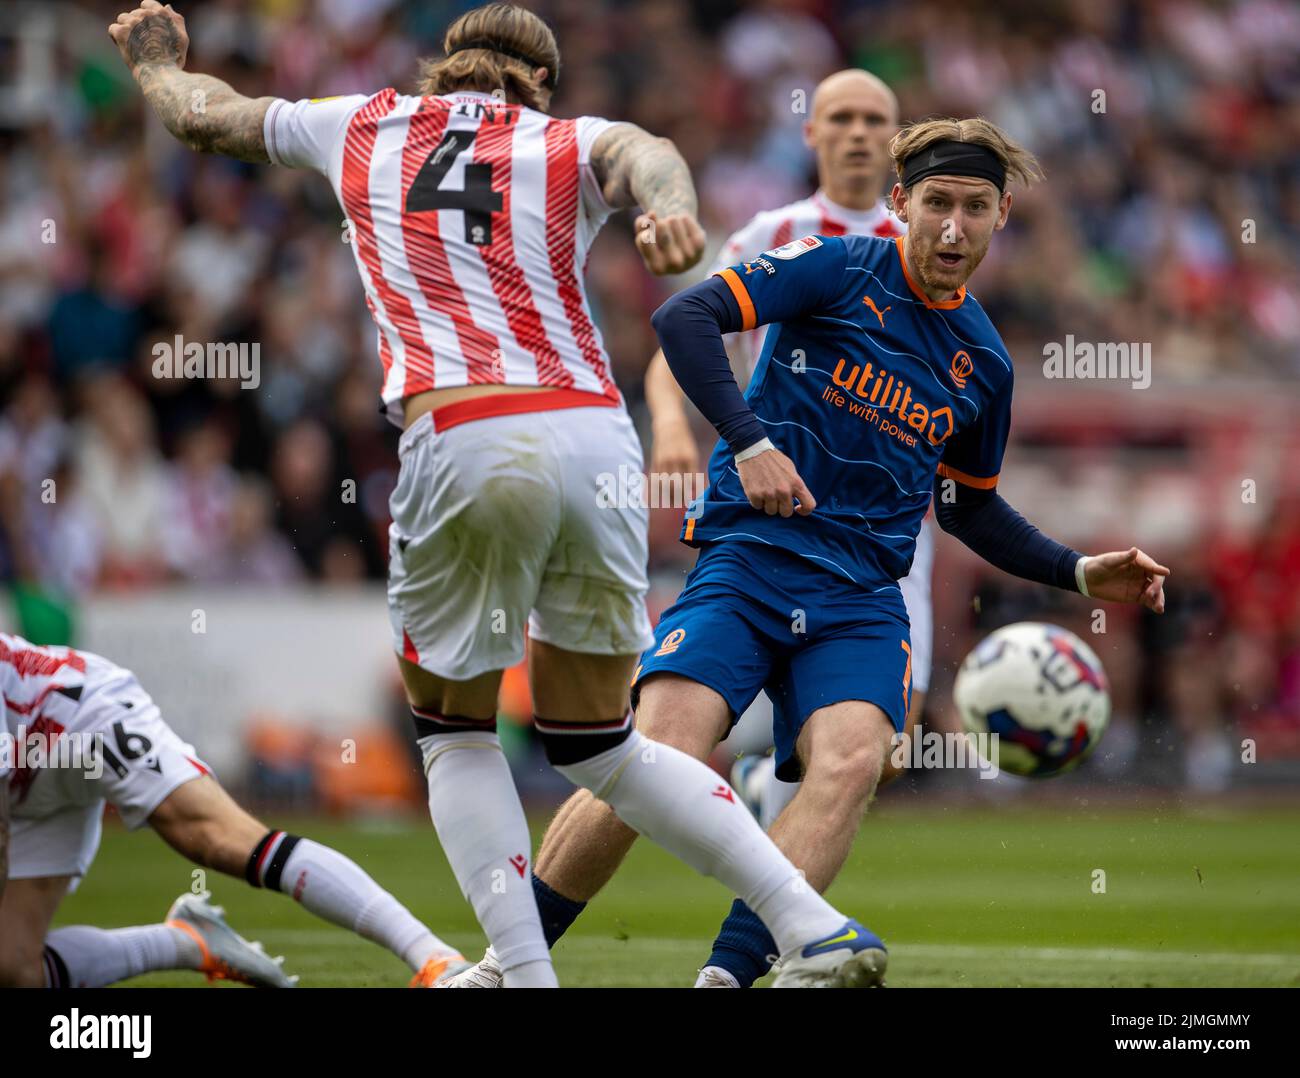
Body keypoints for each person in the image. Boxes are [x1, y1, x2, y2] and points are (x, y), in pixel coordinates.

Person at [109, 0, 892, 988]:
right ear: (538, 86)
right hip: (595, 438)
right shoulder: (566, 139)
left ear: (444, 69)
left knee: (454, 732)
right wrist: (667, 209)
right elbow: (648, 154)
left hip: (466, 430)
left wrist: (153, 61)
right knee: (599, 747)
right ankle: (810, 921)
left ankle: (524, 976)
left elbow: (203, 115)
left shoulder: (359, 121)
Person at [449, 115, 1169, 989]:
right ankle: (503, 969)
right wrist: (748, 442)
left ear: (1002, 215)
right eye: (936, 202)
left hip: (862, 596)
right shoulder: (837, 266)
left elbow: (969, 510)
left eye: (974, 208)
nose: (952, 226)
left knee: (855, 761)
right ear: (901, 202)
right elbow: (687, 317)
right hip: (750, 559)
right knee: (659, 754)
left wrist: (1079, 570)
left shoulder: (985, 362)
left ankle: (728, 981)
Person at [0, 631, 461, 988]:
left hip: (74, 715)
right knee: (13, 969)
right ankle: (185, 941)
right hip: (22, 772)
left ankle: (436, 959)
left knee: (219, 839)